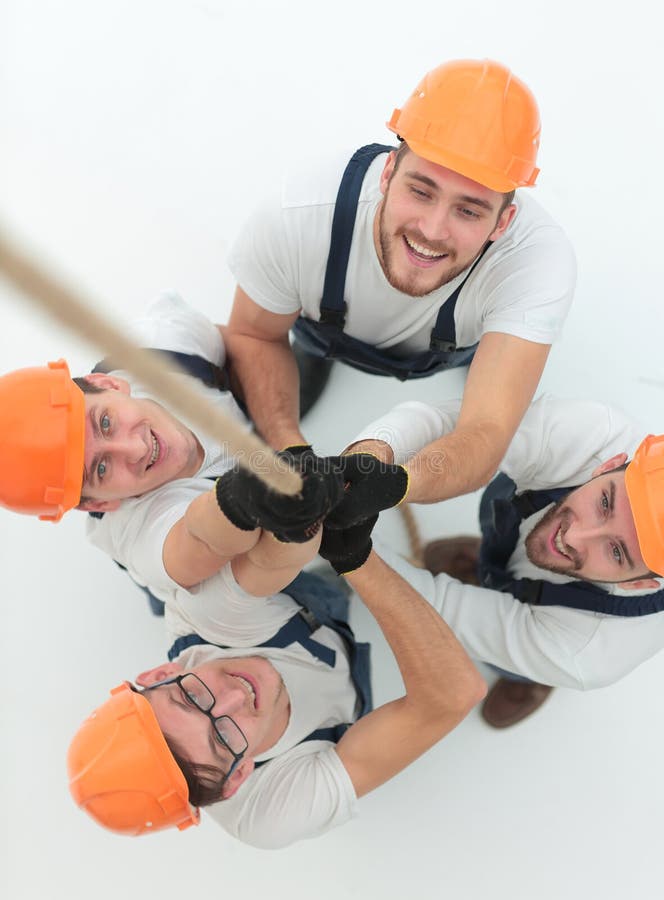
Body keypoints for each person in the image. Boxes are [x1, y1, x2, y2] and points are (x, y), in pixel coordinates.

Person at [223, 58, 577, 515]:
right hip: (321, 329)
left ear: (503, 222)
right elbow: (255, 335)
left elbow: (487, 431)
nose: (432, 230)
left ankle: (486, 360)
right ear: (388, 172)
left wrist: (395, 485)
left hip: (460, 344)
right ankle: (313, 359)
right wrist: (288, 449)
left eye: (468, 211)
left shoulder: (536, 263)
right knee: (279, 383)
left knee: (493, 393)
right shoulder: (299, 216)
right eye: (421, 191)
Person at [67, 546, 485, 848]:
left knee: (323, 587)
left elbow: (290, 529)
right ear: (238, 777)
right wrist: (360, 558)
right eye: (223, 739)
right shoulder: (267, 811)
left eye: (191, 698)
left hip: (298, 608)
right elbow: (454, 693)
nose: (234, 696)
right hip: (338, 698)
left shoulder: (201, 611)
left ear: (161, 674)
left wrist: (354, 553)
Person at [0, 293, 359, 601]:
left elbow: (241, 344)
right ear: (98, 504)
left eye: (105, 422)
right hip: (202, 570)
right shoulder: (137, 534)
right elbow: (198, 542)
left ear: (108, 384)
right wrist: (246, 501)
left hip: (240, 423)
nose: (135, 448)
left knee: (267, 387)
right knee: (239, 595)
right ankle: (319, 594)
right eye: (102, 468)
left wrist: (287, 440)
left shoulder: (160, 345)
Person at [343, 392, 664, 727]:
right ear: (609, 464)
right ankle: (495, 567)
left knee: (519, 655)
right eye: (605, 503)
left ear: (640, 584)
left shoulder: (586, 649)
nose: (572, 537)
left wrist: (349, 550)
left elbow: (437, 610)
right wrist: (369, 458)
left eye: (616, 551)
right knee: (503, 515)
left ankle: (532, 675)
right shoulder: (594, 435)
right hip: (515, 530)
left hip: (555, 628)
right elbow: (452, 427)